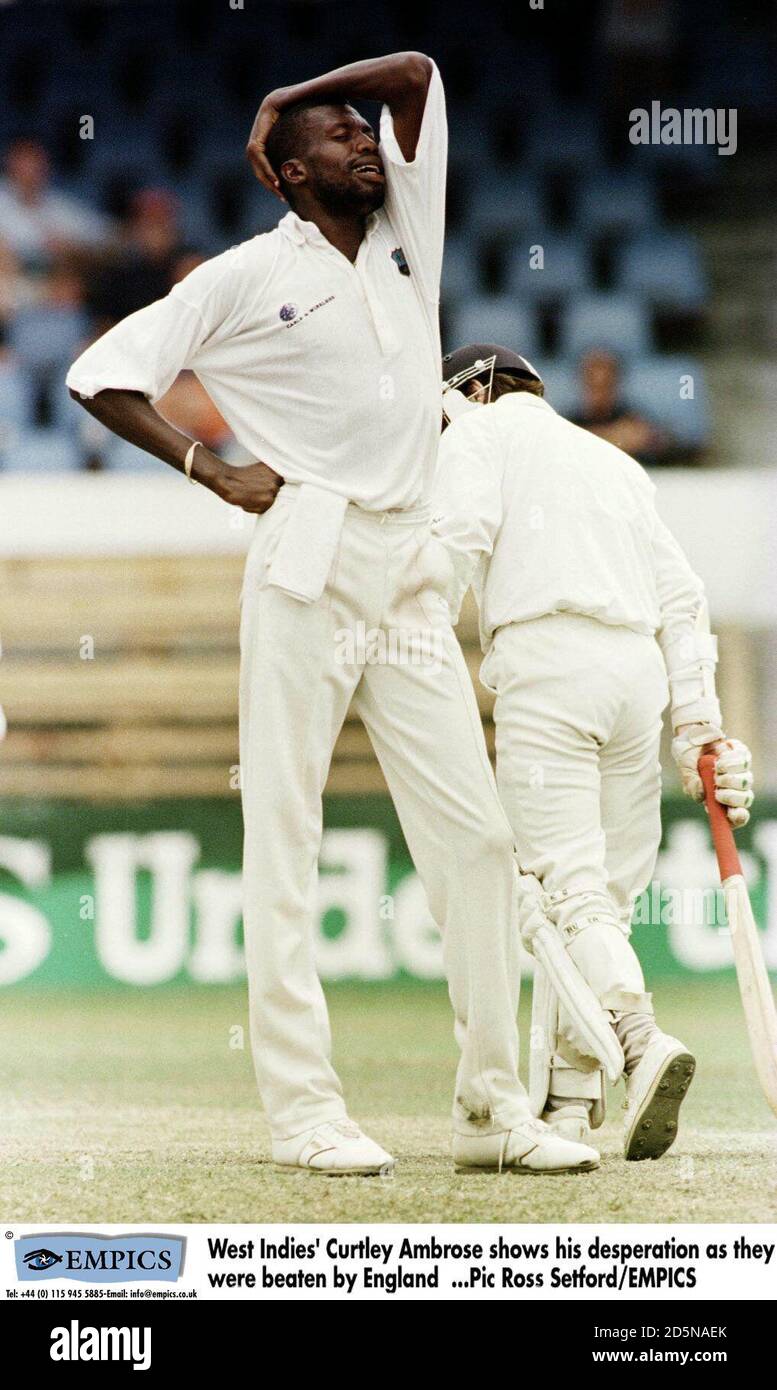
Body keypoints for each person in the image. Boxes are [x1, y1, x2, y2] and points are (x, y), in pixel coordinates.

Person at [66, 55, 599, 1177]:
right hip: (307, 548)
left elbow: (417, 72)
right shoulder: (245, 274)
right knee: (287, 838)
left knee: (482, 837)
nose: (369, 143)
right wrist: (211, 470)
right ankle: (305, 1111)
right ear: (292, 174)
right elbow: (102, 374)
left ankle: (492, 1111)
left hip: (408, 560)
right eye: (341, 137)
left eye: (369, 134)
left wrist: (276, 95)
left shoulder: (410, 224)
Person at [431, 343, 754, 1159]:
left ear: (468, 395)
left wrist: (415, 659)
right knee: (601, 901)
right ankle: (571, 1104)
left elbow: (456, 547)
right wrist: (697, 726)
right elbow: (682, 599)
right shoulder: (610, 462)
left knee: (564, 895)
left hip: (548, 664)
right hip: (634, 674)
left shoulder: (477, 436)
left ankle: (640, 1042)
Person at [0, 138, 109, 272]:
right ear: (9, 164)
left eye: (36, 164)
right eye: (23, 163)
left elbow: (104, 237)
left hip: (53, 281)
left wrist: (73, 249)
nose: (30, 172)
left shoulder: (59, 205)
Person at [570, 348, 677, 464]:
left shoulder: (634, 419)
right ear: (582, 383)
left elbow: (663, 441)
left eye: (606, 385)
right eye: (593, 385)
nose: (599, 394)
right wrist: (617, 437)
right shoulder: (568, 422)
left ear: (617, 383)